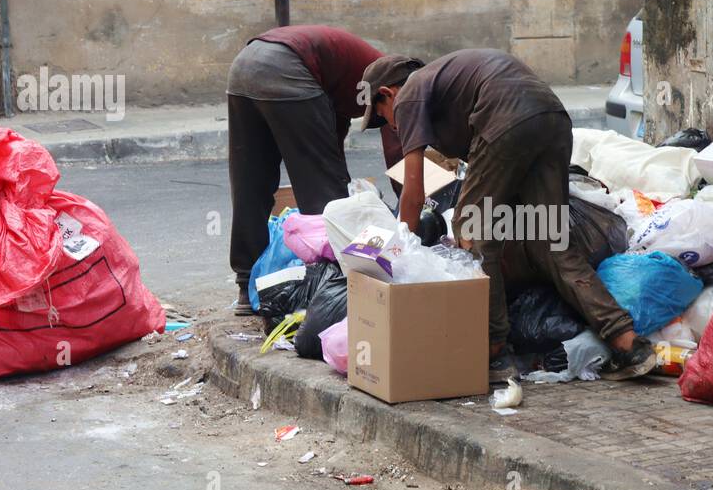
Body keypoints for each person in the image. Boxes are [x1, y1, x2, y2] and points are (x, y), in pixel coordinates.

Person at [361, 49, 656, 382]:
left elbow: (413, 190)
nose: (390, 123)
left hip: (506, 121)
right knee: (552, 243)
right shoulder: (445, 82)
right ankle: (627, 343)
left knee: (471, 231)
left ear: (387, 93)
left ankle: (495, 351)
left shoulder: (408, 95)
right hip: (552, 118)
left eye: (382, 115)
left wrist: (400, 249)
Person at [226, 25, 402, 312]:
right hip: (289, 68)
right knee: (325, 199)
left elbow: (331, 142)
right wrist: (408, 211)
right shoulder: (394, 84)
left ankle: (247, 287)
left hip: (245, 64)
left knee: (251, 184)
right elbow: (397, 149)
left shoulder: (355, 76)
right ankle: (329, 290)